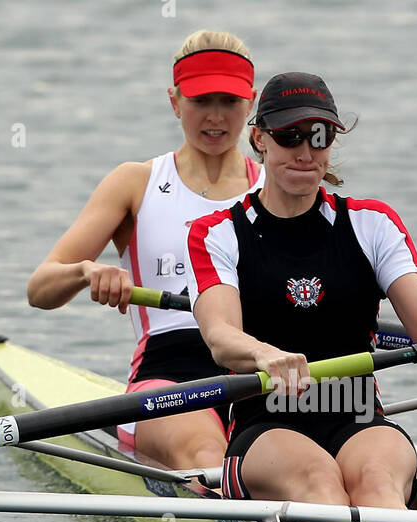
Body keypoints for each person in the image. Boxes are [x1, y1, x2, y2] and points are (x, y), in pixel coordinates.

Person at [188, 72, 417, 522]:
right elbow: (221, 337)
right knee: (319, 482)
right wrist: (265, 354)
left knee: (377, 482)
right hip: (266, 422)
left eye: (320, 136)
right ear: (259, 138)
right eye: (289, 137)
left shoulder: (372, 224)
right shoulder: (217, 232)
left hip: (358, 414)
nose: (306, 153)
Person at [26, 30, 263, 469]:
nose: (215, 117)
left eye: (229, 102)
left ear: (251, 101)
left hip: (263, 367)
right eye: (200, 100)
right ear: (174, 101)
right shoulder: (136, 183)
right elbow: (39, 289)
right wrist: (86, 272)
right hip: (168, 372)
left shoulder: (277, 188)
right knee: (208, 456)